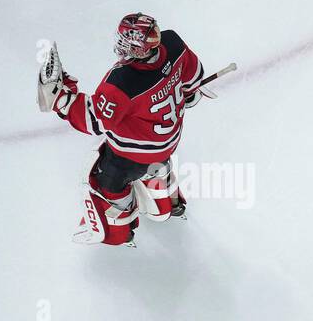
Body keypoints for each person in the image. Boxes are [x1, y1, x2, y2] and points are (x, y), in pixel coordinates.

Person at [40, 13, 207, 246]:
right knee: (156, 165)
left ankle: (119, 234)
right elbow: (192, 81)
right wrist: (184, 93)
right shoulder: (173, 43)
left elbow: (93, 121)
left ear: (137, 48)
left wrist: (60, 99)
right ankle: (169, 206)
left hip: (131, 156)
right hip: (168, 140)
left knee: (108, 183)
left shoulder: (122, 81)